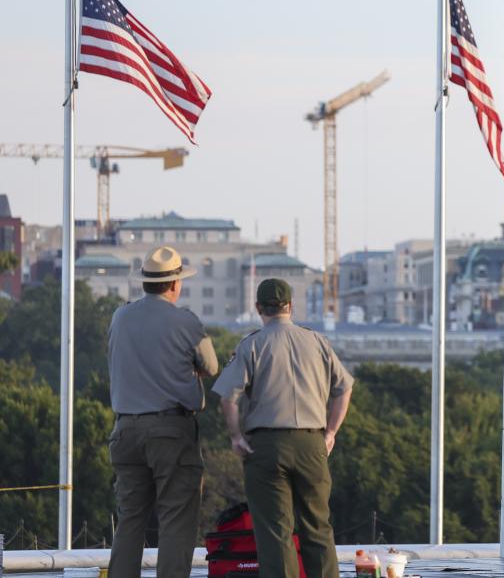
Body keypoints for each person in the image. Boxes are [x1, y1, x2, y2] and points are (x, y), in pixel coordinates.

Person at [212, 278, 353, 578]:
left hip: (267, 447)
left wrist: (236, 437)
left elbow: (228, 398)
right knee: (318, 527)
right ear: (290, 306)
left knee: (276, 532)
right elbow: (344, 388)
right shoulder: (317, 341)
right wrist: (331, 432)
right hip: (312, 443)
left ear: (258, 307)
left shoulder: (251, 344)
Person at [107, 246, 219, 578]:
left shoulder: (120, 317)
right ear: (174, 285)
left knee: (130, 520)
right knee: (176, 520)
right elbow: (210, 366)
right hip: (171, 432)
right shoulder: (184, 321)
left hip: (125, 430)